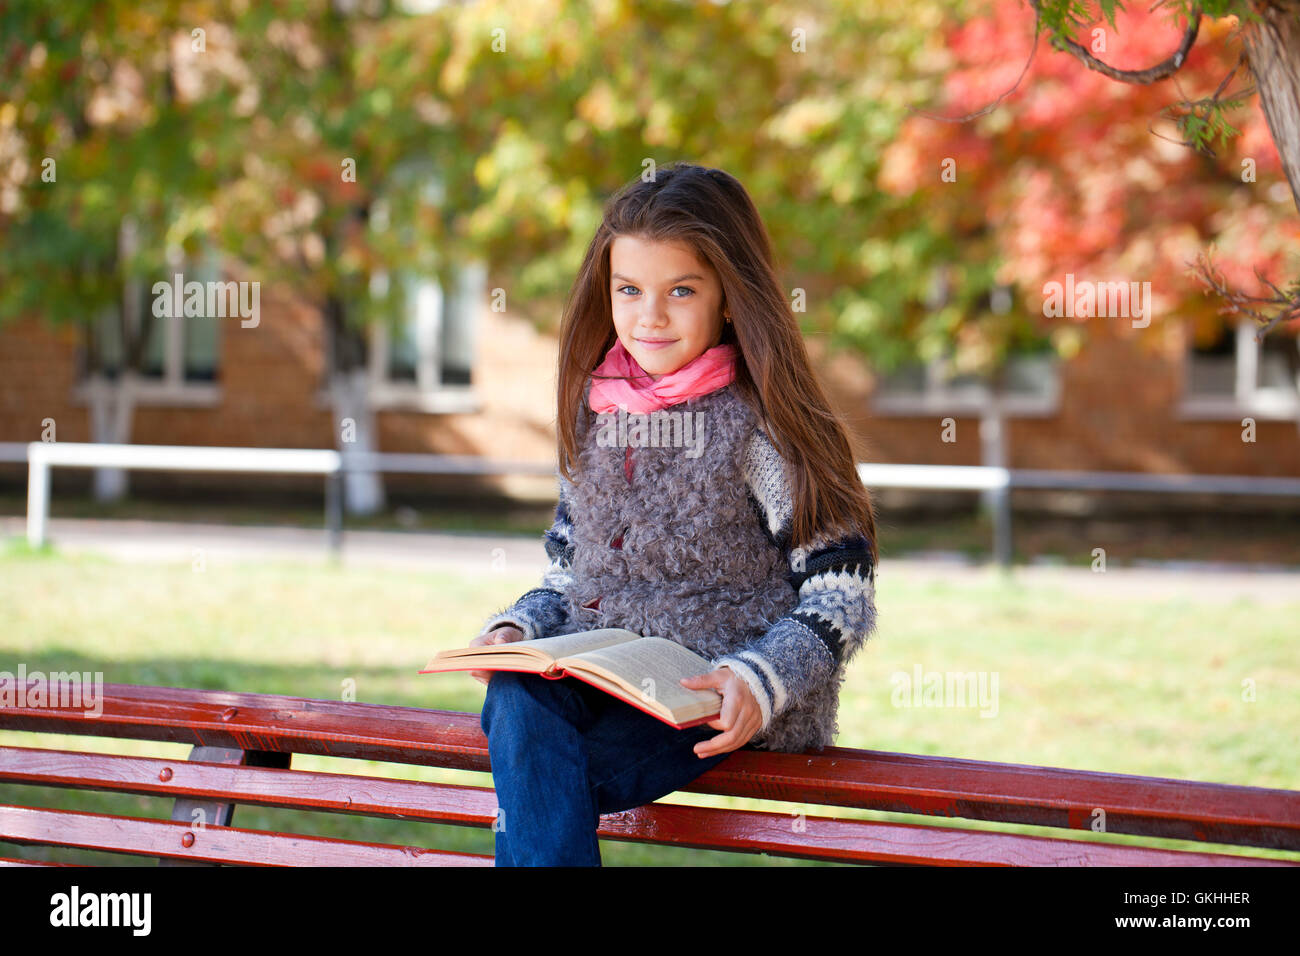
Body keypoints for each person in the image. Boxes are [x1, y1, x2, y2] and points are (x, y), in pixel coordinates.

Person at [471, 162, 880, 866]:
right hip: (603, 676)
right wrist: (522, 626)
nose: (649, 316)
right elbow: (570, 572)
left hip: (717, 693)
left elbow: (842, 592)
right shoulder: (598, 413)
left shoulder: (763, 430)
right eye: (629, 290)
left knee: (538, 779)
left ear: (729, 297)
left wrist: (759, 679)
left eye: (680, 291)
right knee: (515, 694)